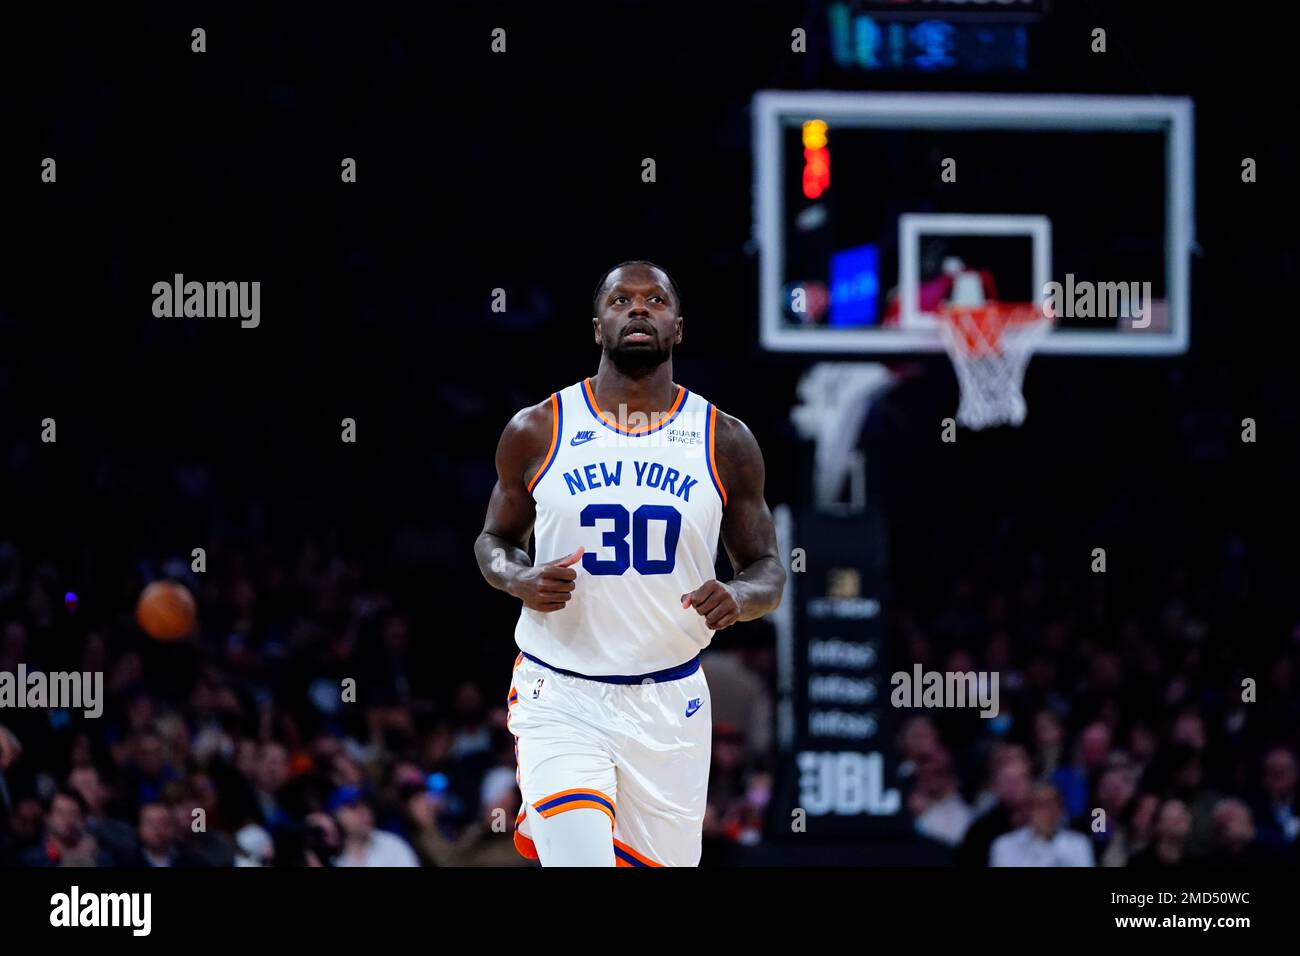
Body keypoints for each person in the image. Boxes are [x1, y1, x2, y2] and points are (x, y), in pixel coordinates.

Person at [475, 261, 785, 867]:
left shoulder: (723, 439)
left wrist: (741, 596)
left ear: (677, 327)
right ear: (598, 327)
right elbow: (493, 539)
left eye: (655, 300)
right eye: (621, 300)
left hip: (671, 704)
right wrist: (518, 577)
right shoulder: (537, 429)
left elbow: (767, 567)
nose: (638, 309)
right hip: (559, 692)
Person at [989, 782, 1094, 867]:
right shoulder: (1004, 845)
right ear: (1028, 810)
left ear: (1060, 810)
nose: (1043, 811)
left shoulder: (1079, 844)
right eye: (1037, 804)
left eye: (1048, 804)